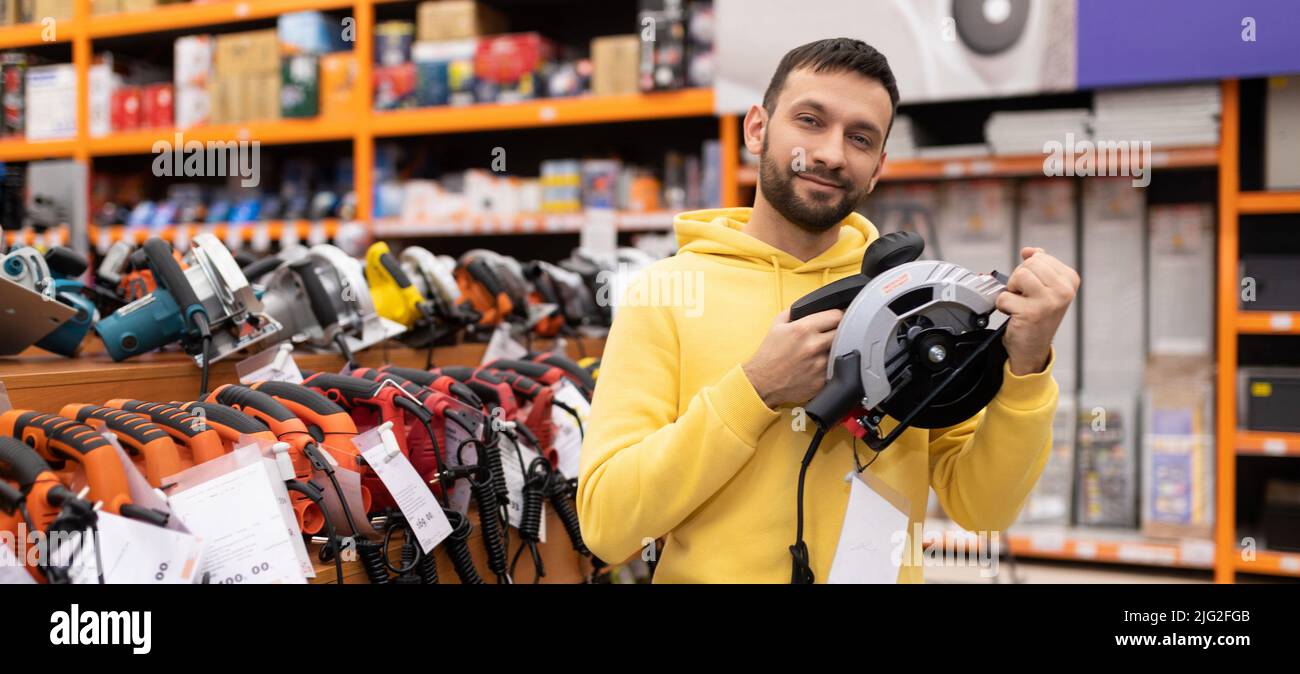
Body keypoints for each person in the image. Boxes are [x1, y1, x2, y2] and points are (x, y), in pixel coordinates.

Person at [576, 38, 1079, 583]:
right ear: (757, 129)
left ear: (878, 166)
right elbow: (607, 527)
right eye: (810, 120)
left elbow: (983, 508)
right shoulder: (666, 294)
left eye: (859, 138)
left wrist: (1026, 368)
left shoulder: (915, 299)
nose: (832, 153)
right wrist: (754, 391)